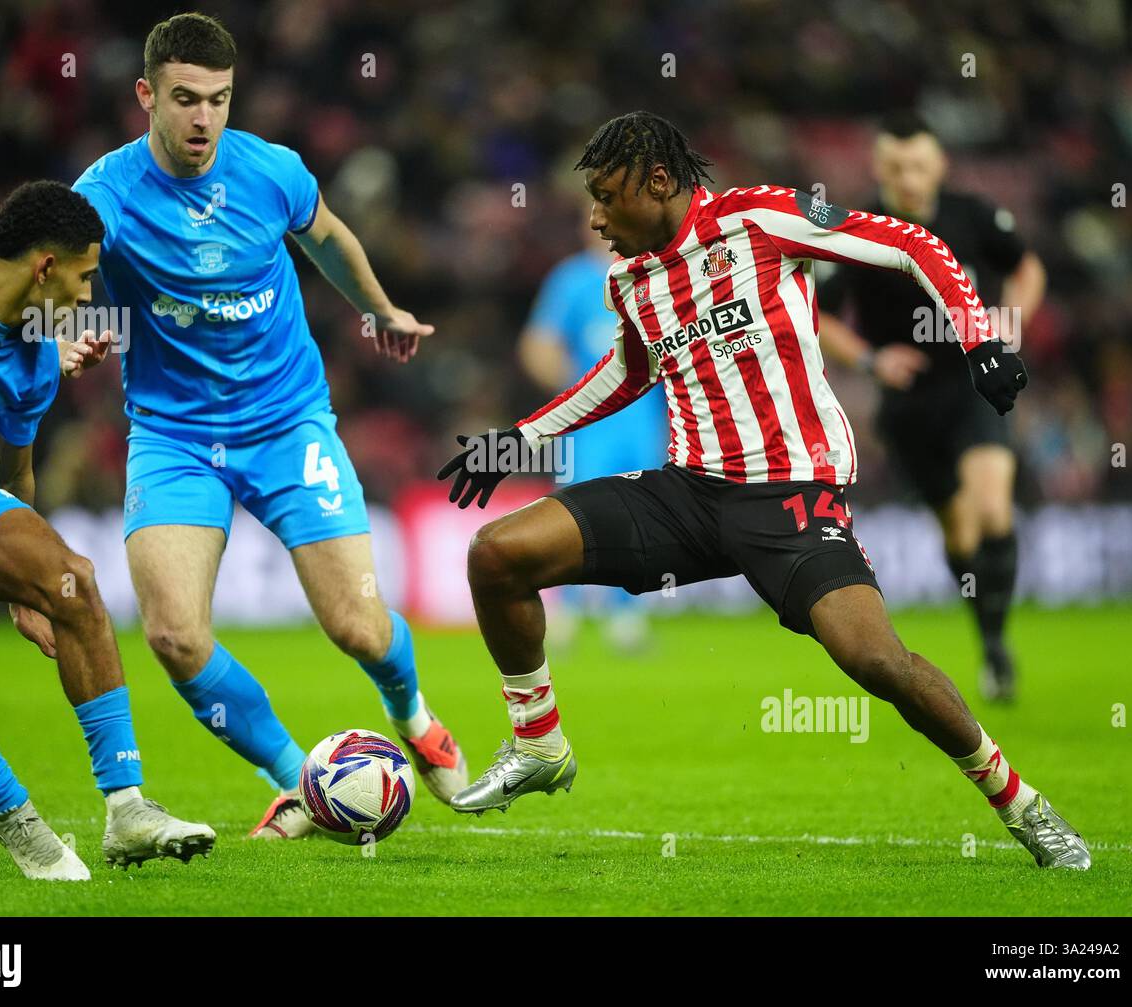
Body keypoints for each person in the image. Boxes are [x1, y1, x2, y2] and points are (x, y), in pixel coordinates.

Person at [436, 111, 1088, 869]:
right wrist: (521, 438)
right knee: (497, 553)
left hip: (791, 495)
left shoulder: (760, 220)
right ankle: (538, 743)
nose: (595, 216)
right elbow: (627, 374)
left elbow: (909, 243)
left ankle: (1021, 803)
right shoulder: (630, 281)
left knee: (878, 662)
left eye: (608, 196)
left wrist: (978, 339)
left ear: (657, 183)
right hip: (688, 493)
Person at [66, 13, 466, 839]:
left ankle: (415, 714)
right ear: (146, 96)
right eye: (184, 100)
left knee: (358, 623)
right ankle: (299, 778)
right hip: (175, 437)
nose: (203, 118)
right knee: (174, 635)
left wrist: (380, 308)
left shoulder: (271, 171)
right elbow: (44, 289)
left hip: (288, 422)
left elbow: (325, 236)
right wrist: (70, 330)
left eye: (217, 99)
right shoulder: (102, 197)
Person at [0, 181, 214, 881]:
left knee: (75, 581)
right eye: (87, 277)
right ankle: (12, 815)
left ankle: (128, 808)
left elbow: (10, 474)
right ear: (46, 267)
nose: (90, 296)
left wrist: (27, 588)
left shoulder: (33, 364)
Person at [816, 113, 1047, 701]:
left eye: (919, 164)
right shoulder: (858, 231)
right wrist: (870, 360)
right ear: (878, 168)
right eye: (896, 166)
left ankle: (996, 648)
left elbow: (1025, 267)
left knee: (994, 510)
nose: (909, 177)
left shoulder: (972, 215)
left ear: (939, 164)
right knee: (960, 534)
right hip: (909, 404)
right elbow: (814, 313)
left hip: (974, 386)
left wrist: (1008, 325)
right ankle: (987, 633)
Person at [518, 228, 667, 651]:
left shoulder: (648, 274)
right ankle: (566, 606)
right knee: (574, 511)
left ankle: (627, 612)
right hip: (588, 425)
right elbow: (537, 343)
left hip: (643, 422)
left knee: (640, 514)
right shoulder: (572, 279)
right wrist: (573, 391)